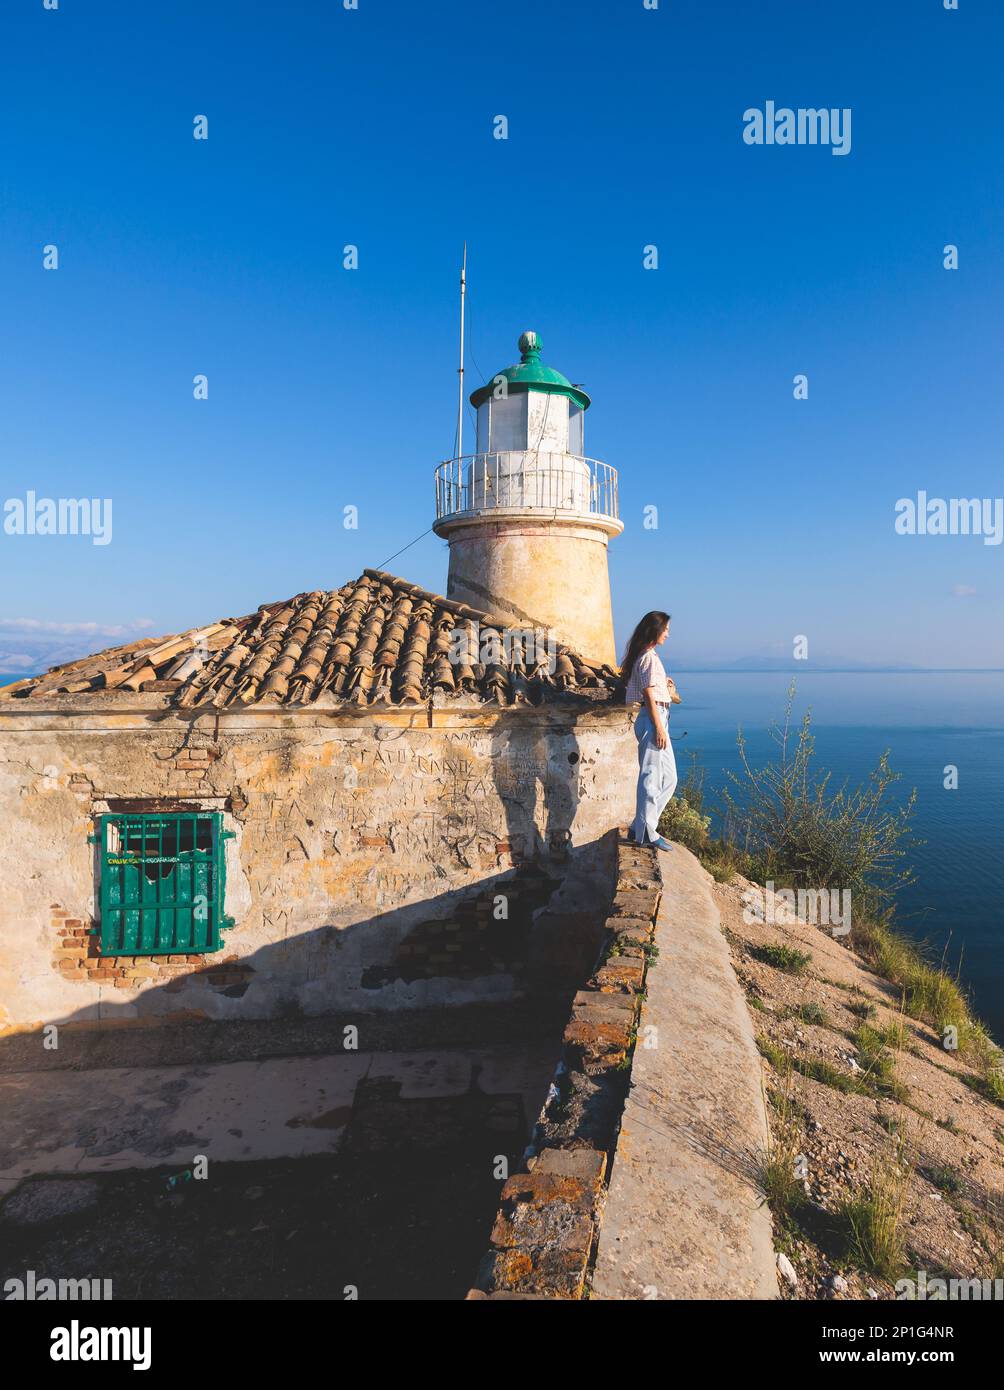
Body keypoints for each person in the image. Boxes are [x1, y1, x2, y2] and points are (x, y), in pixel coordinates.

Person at [622, 611, 678, 850]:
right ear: (655, 630)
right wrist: (658, 728)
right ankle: (645, 833)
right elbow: (647, 695)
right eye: (665, 629)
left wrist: (666, 686)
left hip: (658, 719)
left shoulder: (649, 657)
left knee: (670, 778)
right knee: (651, 777)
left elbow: (653, 690)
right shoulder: (648, 658)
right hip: (653, 720)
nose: (668, 633)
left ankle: (641, 825)